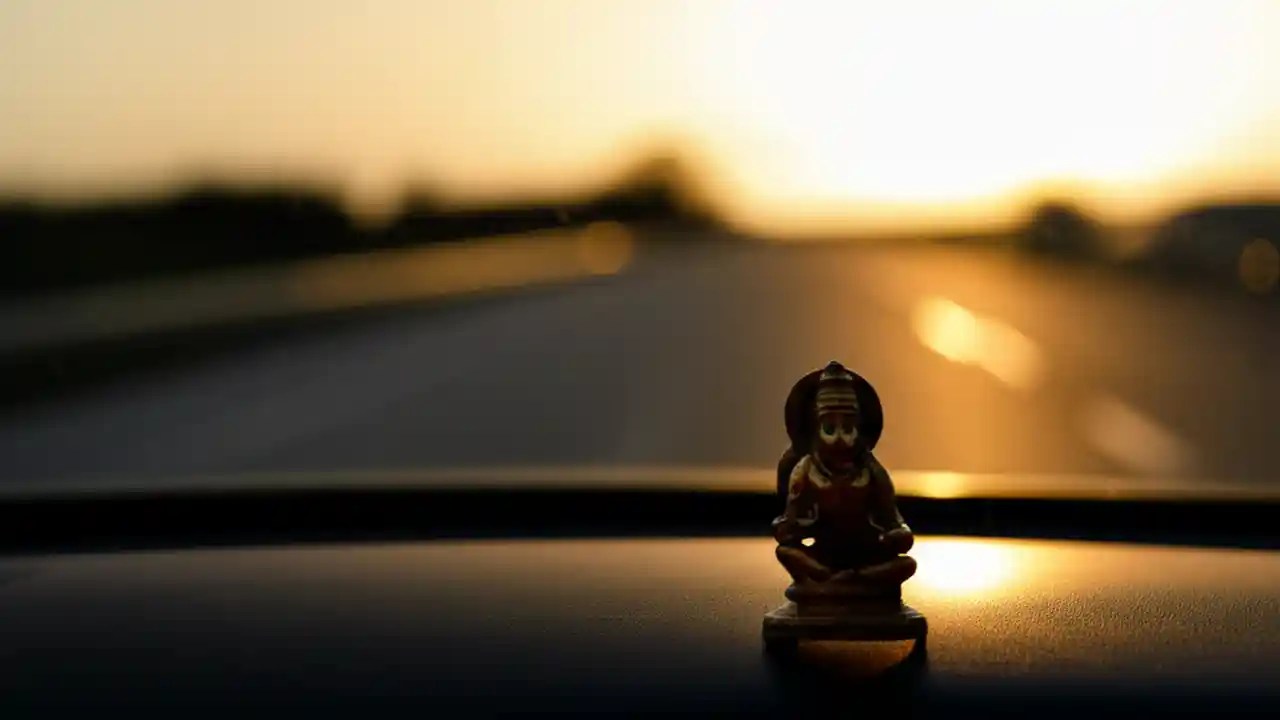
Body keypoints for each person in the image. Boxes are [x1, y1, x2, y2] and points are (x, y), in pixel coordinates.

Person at [772, 361, 917, 593]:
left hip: (866, 554)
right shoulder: (805, 471)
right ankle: (840, 581)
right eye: (830, 429)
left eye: (848, 428)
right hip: (823, 556)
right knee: (786, 552)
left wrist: (896, 536)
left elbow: (895, 522)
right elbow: (790, 527)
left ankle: (851, 581)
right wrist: (790, 527)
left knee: (907, 564)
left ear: (860, 430)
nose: (840, 438)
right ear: (814, 429)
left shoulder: (871, 471)